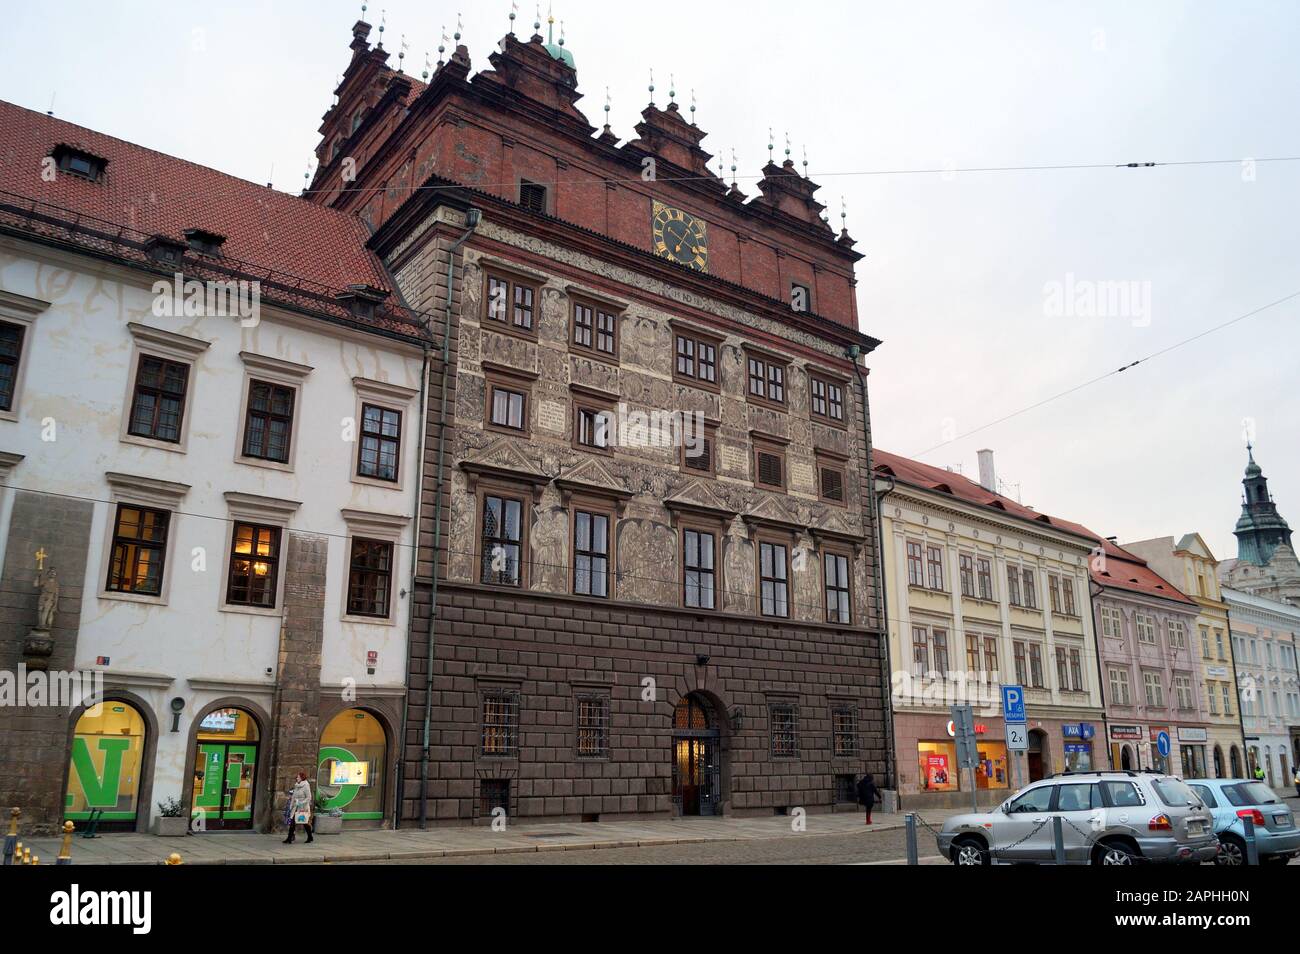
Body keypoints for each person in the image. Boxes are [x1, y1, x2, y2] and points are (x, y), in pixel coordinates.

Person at [283, 771, 313, 844]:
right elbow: (293, 796)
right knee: (292, 822)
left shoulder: (306, 785)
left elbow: (309, 797)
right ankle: (289, 838)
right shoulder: (297, 785)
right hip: (295, 807)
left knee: (305, 822)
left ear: (302, 778)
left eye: (298, 777)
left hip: (303, 807)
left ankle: (310, 837)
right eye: (297, 777)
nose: (297, 778)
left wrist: (301, 802)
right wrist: (291, 806)